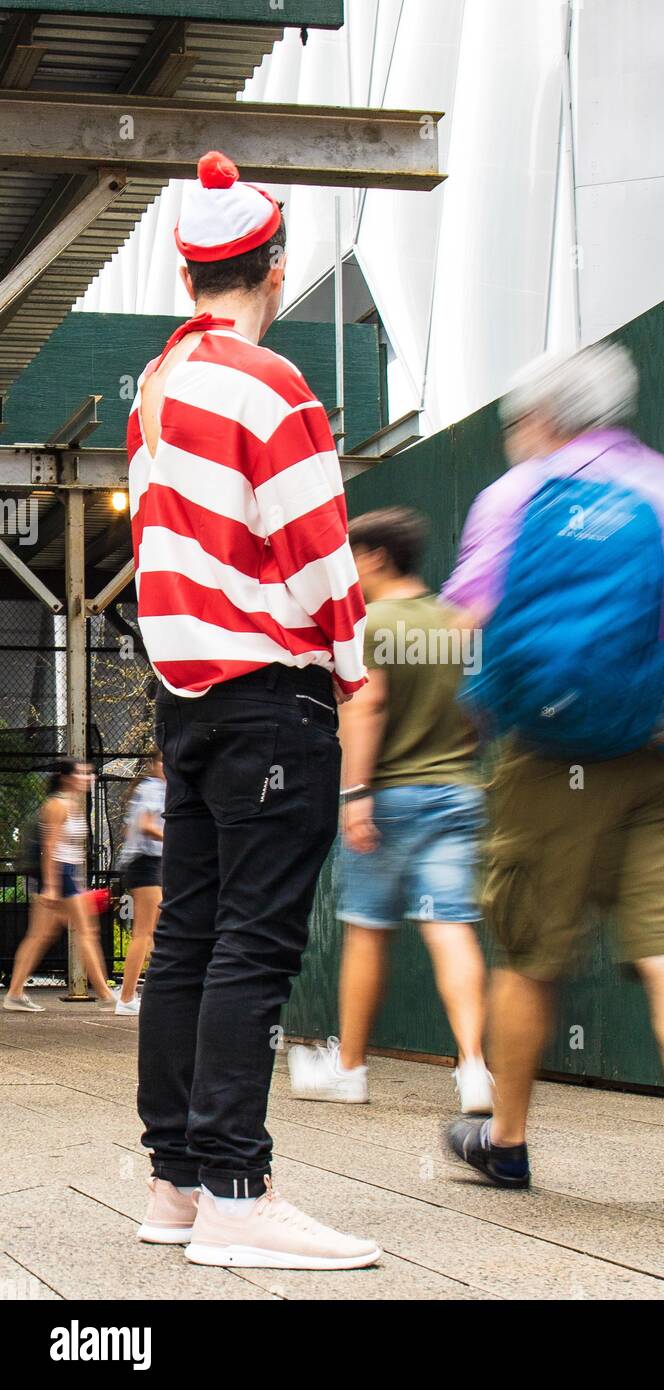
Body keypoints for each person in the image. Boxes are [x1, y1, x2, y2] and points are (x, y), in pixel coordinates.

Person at [443, 342, 664, 1224]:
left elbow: (463, 624)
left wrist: (482, 719)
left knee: (529, 958)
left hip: (543, 763)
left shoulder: (511, 500)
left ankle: (505, 1141)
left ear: (542, 420)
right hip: (656, 758)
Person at [129, 150, 379, 1270]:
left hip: (186, 700)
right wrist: (355, 671)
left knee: (187, 937)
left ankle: (176, 1181)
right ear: (274, 268)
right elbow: (322, 558)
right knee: (253, 944)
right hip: (272, 694)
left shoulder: (152, 389)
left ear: (189, 274)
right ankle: (238, 1185)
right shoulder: (273, 388)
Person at [287, 507, 492, 1113]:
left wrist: (354, 796)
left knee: (368, 933)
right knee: (451, 927)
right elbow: (479, 710)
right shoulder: (456, 624)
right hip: (457, 791)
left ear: (375, 557)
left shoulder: (370, 624)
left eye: (351, 556)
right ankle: (475, 1069)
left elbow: (365, 708)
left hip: (390, 797)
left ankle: (349, 1068)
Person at [4, 759, 116, 1011]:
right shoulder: (57, 805)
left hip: (65, 876)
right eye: (83, 774)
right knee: (86, 933)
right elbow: (51, 847)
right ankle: (106, 995)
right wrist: (53, 887)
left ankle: (14, 992)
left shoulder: (72, 804)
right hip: (58, 876)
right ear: (67, 778)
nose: (89, 778)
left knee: (40, 936)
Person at [115, 753, 166, 1016]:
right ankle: (126, 997)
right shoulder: (154, 789)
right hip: (146, 864)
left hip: (146, 863)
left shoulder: (152, 788)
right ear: (155, 765)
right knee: (144, 933)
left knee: (155, 933)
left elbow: (129, 829)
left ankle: (158, 991)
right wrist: (174, 837)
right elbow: (146, 825)